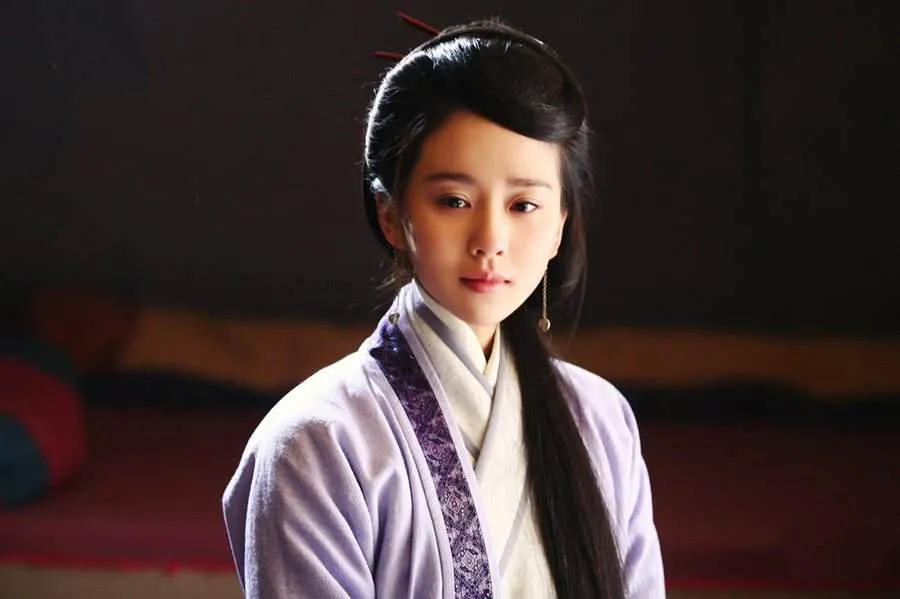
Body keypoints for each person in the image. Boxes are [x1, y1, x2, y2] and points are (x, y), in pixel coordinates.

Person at [223, 18, 665, 599]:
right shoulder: (317, 442)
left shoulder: (600, 420)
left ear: (559, 226)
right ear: (391, 215)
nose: (490, 240)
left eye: (524, 205)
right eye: (454, 201)